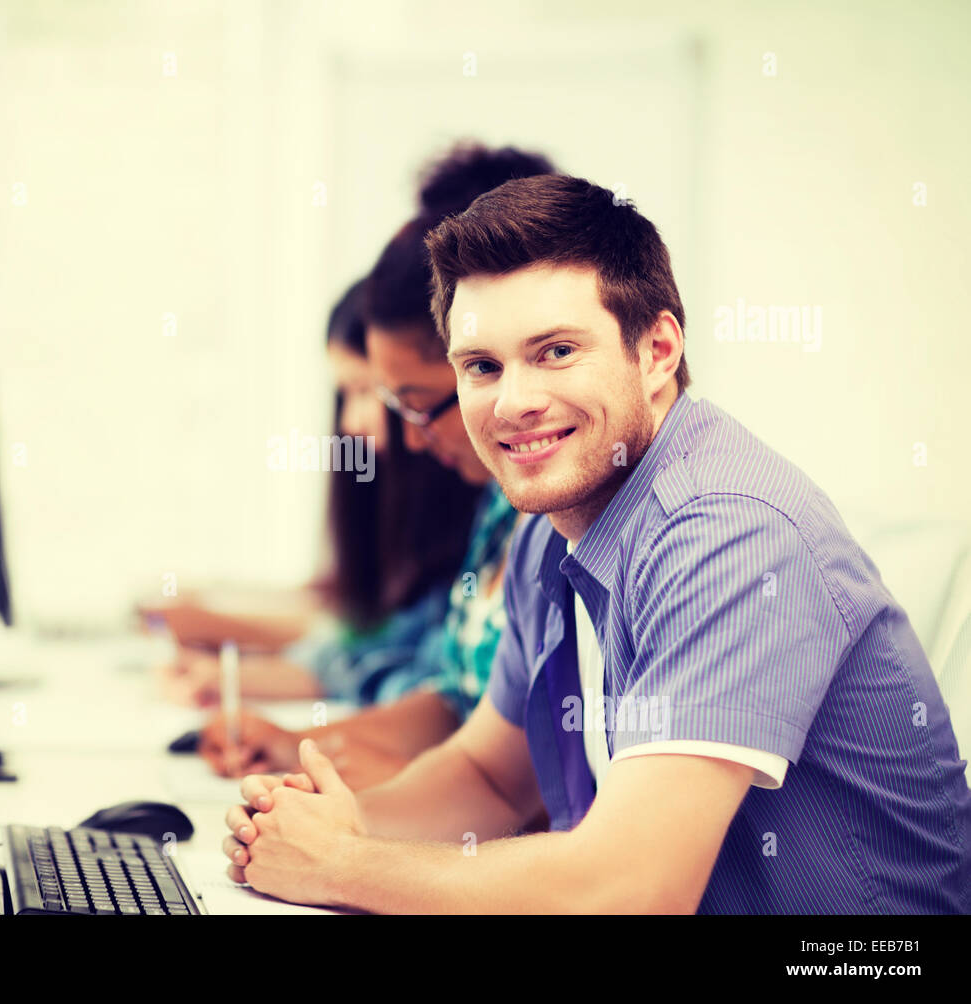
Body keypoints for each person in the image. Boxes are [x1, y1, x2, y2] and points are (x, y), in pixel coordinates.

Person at [220, 174, 971, 913]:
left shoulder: (730, 533)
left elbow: (634, 889)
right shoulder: (551, 529)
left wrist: (345, 867)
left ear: (657, 352)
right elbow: (487, 775)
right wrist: (331, 826)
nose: (513, 402)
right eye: (482, 366)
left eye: (554, 352)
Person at [199, 144, 557, 788]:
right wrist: (307, 749)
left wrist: (363, 798)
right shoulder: (504, 504)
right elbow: (460, 710)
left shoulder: (588, 513)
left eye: (403, 402)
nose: (393, 435)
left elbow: (538, 793)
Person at [153, 276, 481, 709]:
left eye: (365, 391)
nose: (350, 423)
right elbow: (360, 627)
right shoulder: (426, 512)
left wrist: (231, 657)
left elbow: (418, 677)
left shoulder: (478, 508)